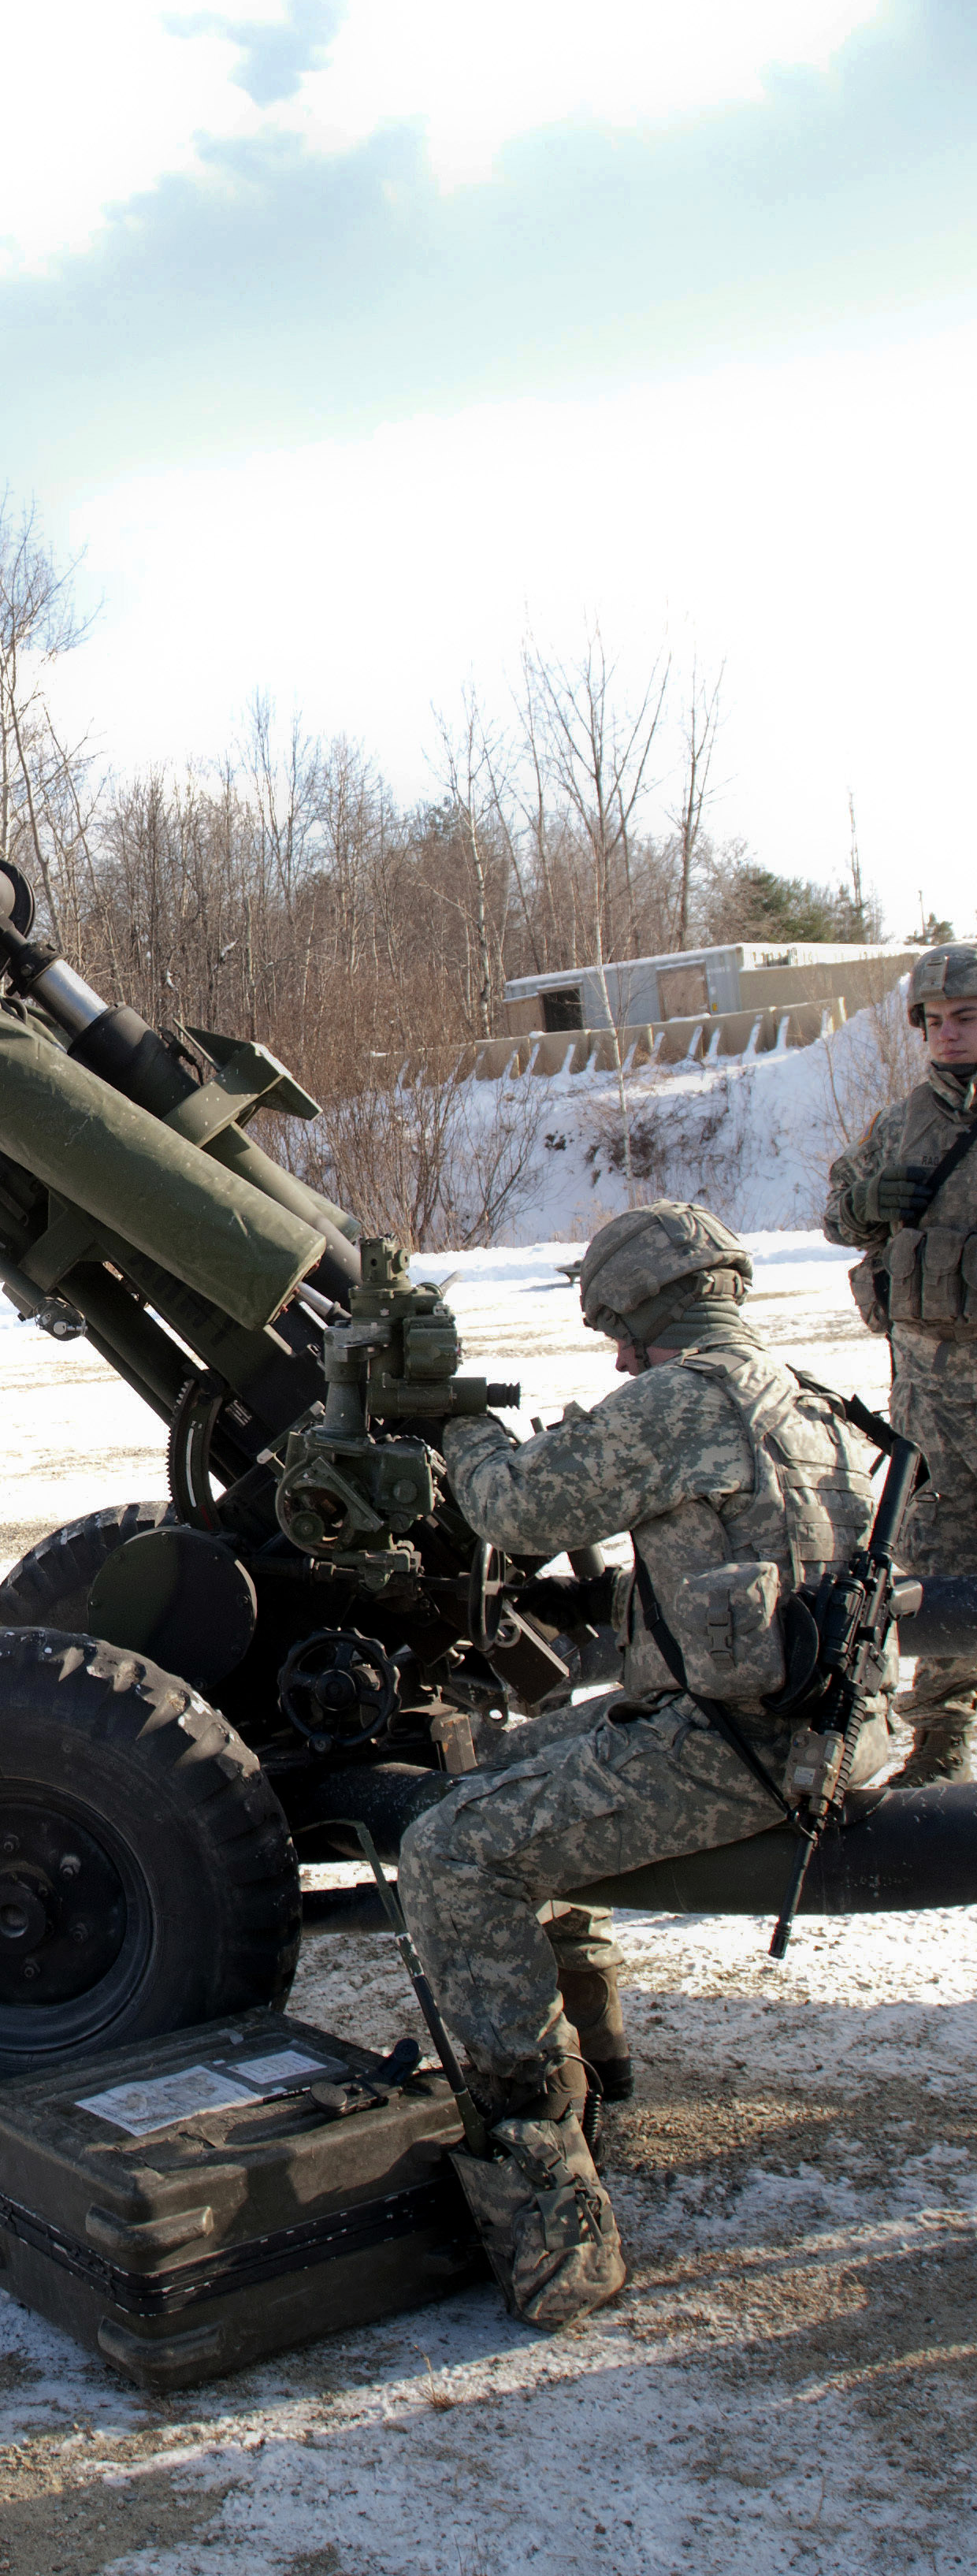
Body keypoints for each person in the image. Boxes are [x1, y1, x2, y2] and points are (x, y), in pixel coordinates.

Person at [395, 1201, 897, 2330]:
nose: (614, 1356)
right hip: (803, 1729)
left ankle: (548, 2199)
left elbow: (513, 1510)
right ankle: (597, 2066)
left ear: (654, 1311)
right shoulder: (804, 1401)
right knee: (498, 1782)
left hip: (737, 1753)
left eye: (616, 1327)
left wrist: (455, 1418)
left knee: (451, 1853)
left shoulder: (683, 1402)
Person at [823, 942, 977, 1786]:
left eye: (966, 1017)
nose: (948, 1036)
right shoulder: (902, 1123)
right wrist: (865, 1204)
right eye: (936, 1021)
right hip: (931, 1397)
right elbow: (836, 1213)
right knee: (937, 1560)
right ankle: (944, 1730)